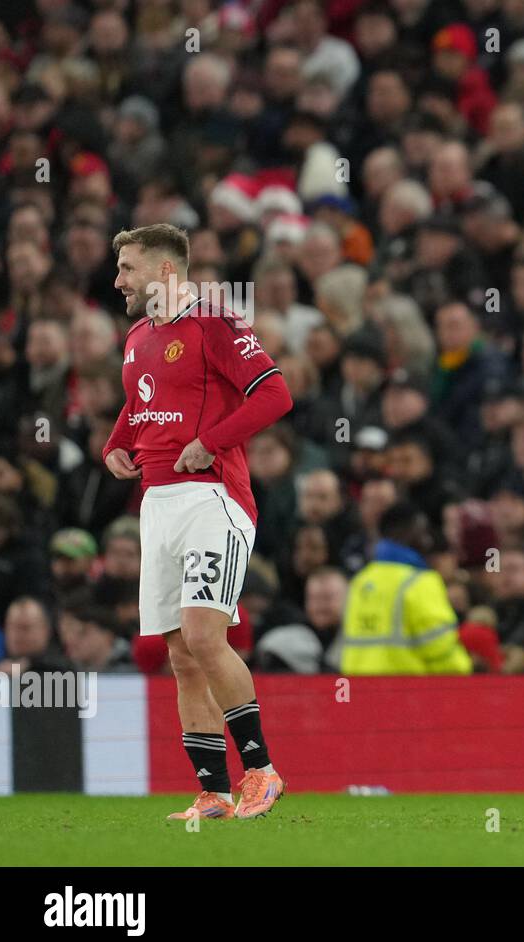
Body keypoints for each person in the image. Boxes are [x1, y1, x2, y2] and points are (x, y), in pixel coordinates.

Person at [102, 224, 293, 820]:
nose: (118, 280)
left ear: (164, 272)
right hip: (157, 502)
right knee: (180, 652)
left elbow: (275, 395)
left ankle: (261, 772)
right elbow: (141, 401)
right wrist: (116, 442)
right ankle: (212, 790)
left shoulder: (216, 322)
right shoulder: (137, 337)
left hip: (214, 500)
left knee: (207, 636)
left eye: (128, 268)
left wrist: (211, 442)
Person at [336, 501, 471, 675]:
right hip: (406, 692)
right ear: (405, 534)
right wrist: (466, 670)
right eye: (421, 533)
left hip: (359, 691)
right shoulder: (420, 582)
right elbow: (440, 648)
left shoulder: (360, 581)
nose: (427, 541)